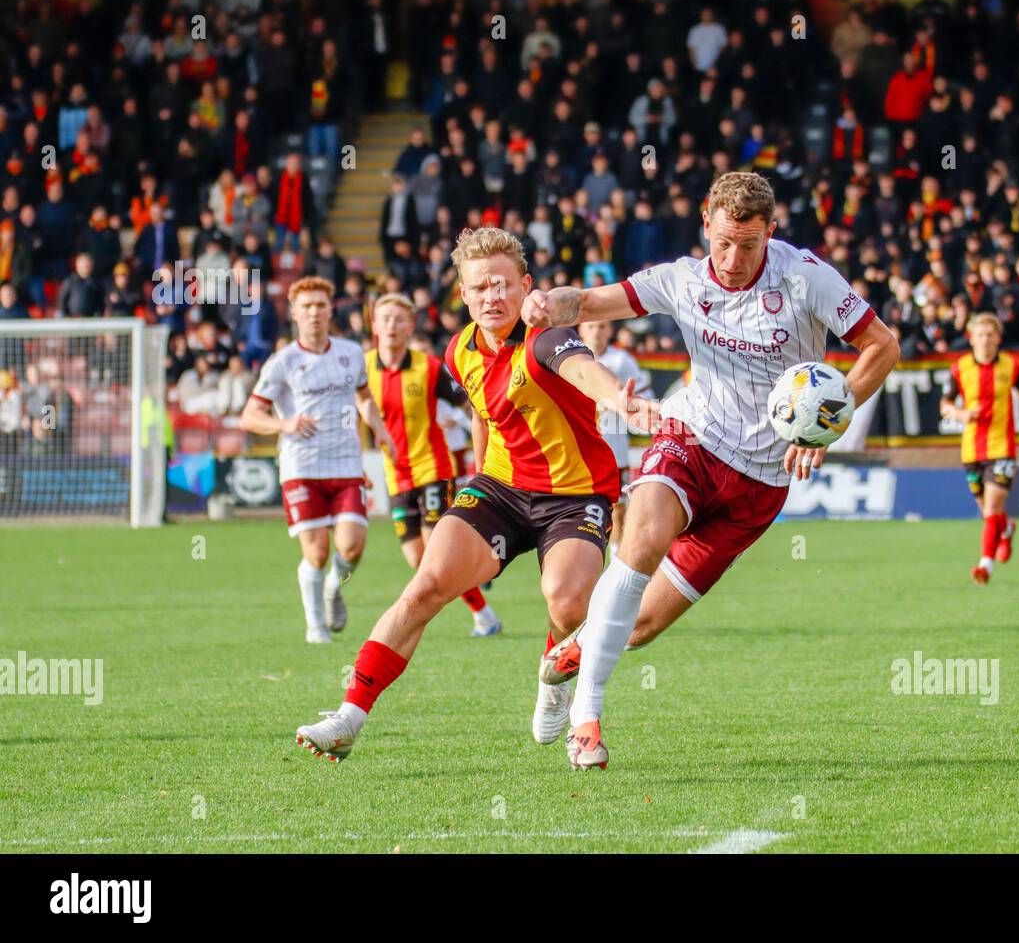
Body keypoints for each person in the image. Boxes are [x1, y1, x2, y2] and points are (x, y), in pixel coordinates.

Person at [526, 172, 900, 768]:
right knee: (642, 544)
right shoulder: (683, 279)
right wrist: (548, 304)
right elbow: (595, 303)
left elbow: (882, 345)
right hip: (690, 439)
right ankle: (587, 718)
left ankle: (567, 654)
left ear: (770, 233)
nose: (731, 258)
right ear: (706, 223)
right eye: (723, 241)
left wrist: (827, 422)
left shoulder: (805, 276)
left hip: (761, 483)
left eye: (747, 246)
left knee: (641, 626)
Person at [293, 227, 659, 761]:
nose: (493, 297)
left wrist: (621, 402)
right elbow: (484, 413)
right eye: (480, 288)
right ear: (463, 296)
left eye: (503, 285)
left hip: (574, 494)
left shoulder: (547, 336)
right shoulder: (459, 348)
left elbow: (584, 370)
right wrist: (478, 476)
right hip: (499, 489)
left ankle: (552, 674)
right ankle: (349, 716)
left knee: (567, 601)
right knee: (425, 587)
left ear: (525, 286)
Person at [239, 276, 397, 644]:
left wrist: (381, 431)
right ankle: (316, 627)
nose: (314, 312)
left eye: (320, 306)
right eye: (306, 306)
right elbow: (250, 416)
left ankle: (333, 588)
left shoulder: (351, 353)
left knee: (353, 547)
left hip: (345, 464)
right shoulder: (282, 363)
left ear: (330, 311)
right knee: (317, 551)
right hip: (302, 467)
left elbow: (364, 398)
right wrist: (285, 423)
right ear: (294, 313)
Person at [364, 291, 503, 636]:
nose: (392, 326)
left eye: (400, 319)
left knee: (434, 551)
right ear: (374, 325)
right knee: (417, 560)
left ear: (411, 325)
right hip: (396, 476)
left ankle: (481, 615)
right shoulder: (362, 368)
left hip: (432, 468)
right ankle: (484, 609)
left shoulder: (428, 368)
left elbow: (470, 401)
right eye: (386, 319)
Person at [937, 314, 1019, 584]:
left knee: (992, 507)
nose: (985, 340)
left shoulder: (1012, 365)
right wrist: (961, 414)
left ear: (998, 338)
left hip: (1003, 446)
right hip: (971, 449)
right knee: (987, 511)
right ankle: (1007, 528)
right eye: (980, 335)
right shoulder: (960, 368)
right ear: (971, 338)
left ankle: (985, 565)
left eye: (990, 335)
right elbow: (944, 405)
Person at [577, 318, 652, 557]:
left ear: (609, 330)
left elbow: (644, 394)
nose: (596, 331)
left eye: (601, 326)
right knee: (577, 512)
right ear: (581, 329)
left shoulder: (622, 360)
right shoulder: (571, 359)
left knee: (617, 510)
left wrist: (623, 403)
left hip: (614, 450)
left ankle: (616, 565)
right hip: (578, 451)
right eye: (591, 326)